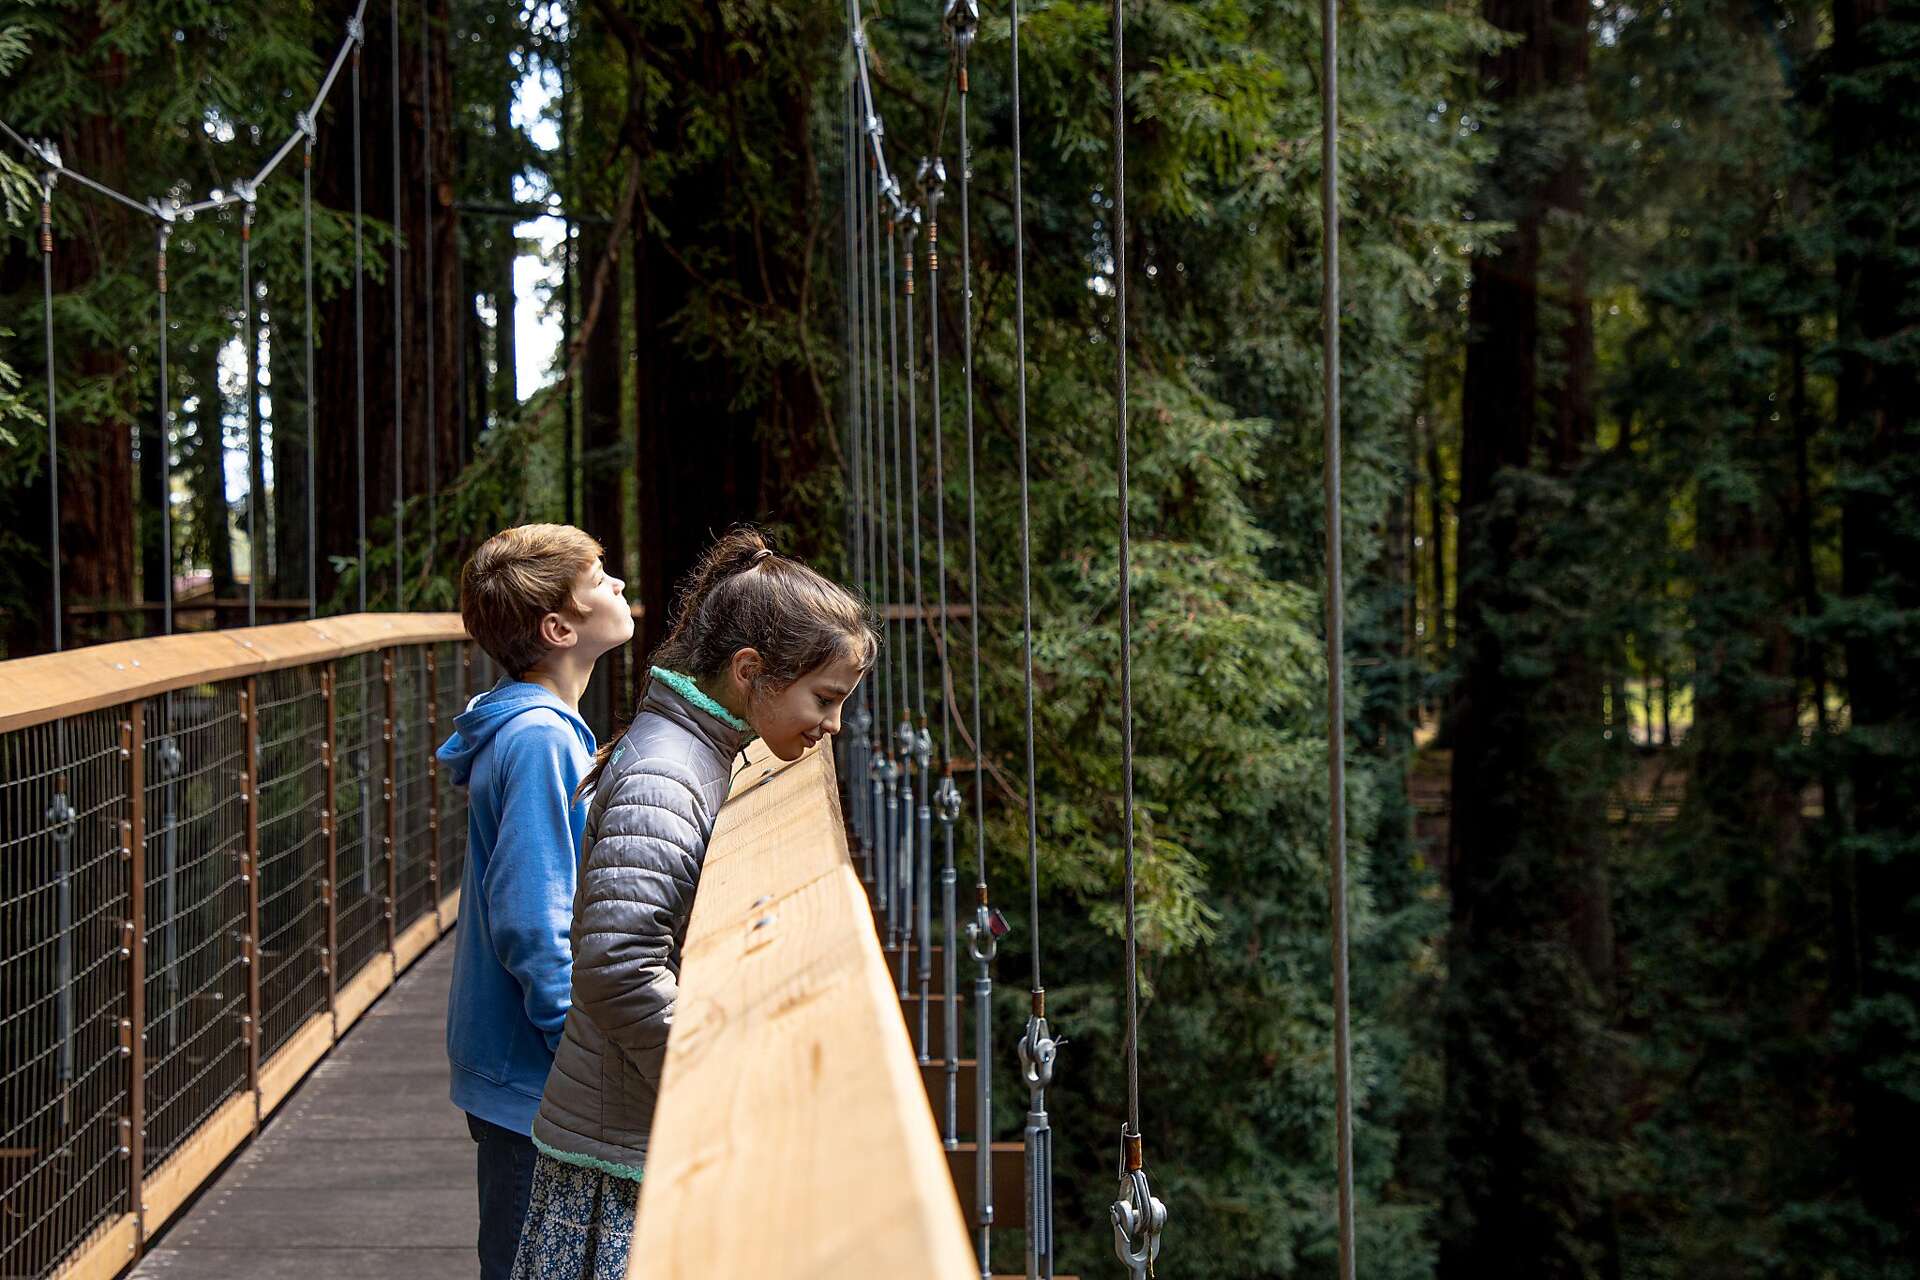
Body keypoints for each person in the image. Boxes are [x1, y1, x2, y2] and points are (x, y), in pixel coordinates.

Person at [510, 527, 876, 1280]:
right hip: (619, 1156)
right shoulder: (669, 774)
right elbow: (616, 966)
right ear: (750, 670)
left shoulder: (696, 748)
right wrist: (723, 1080)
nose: (835, 725)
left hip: (624, 1133)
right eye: (825, 698)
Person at [436, 524, 635, 1280]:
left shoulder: (532, 726)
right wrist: (576, 1050)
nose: (618, 586)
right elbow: (530, 917)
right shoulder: (539, 740)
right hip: (536, 1079)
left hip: (520, 1072)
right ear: (559, 629)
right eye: (600, 581)